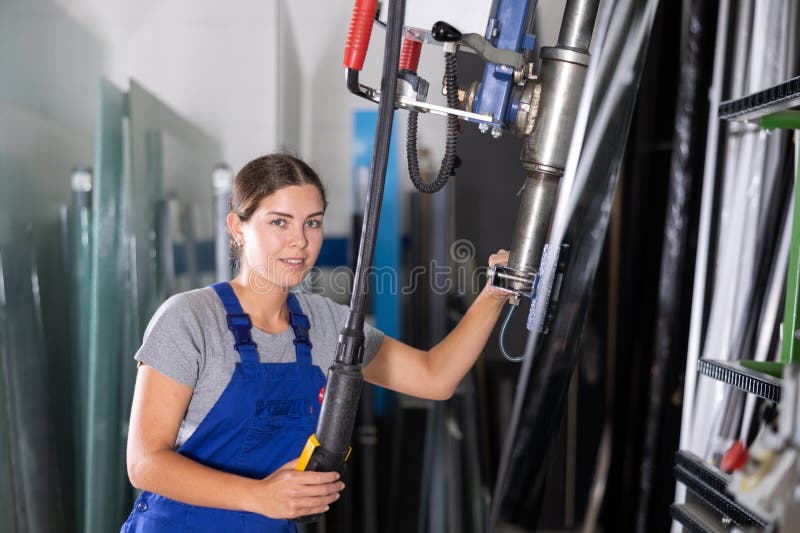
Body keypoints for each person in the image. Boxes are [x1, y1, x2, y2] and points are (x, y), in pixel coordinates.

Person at [121, 154, 510, 532]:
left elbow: (434, 377)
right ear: (237, 228)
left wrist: (493, 294)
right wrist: (259, 496)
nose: (300, 242)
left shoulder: (327, 324)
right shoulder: (190, 318)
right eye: (279, 222)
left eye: (313, 223)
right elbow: (144, 463)